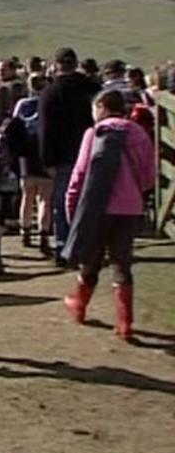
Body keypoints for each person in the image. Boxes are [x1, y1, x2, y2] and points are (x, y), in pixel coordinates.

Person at [62, 89, 156, 342]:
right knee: (122, 263)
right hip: (130, 207)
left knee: (90, 260)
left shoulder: (95, 134)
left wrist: (72, 207)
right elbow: (149, 174)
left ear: (102, 106)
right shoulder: (138, 133)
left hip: (98, 208)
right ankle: (125, 323)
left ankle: (79, 305)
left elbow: (80, 174)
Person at [39, 48, 101, 266]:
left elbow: (45, 129)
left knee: (63, 201)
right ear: (75, 63)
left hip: (62, 156)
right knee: (88, 201)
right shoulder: (92, 89)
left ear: (56, 65)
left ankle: (64, 246)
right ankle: (86, 246)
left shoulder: (50, 92)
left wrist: (47, 160)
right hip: (92, 152)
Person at [4, 74, 53, 255]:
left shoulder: (23, 105)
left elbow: (14, 127)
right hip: (45, 153)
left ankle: (25, 230)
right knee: (45, 198)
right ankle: (43, 233)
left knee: (27, 194)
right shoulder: (50, 104)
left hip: (26, 155)